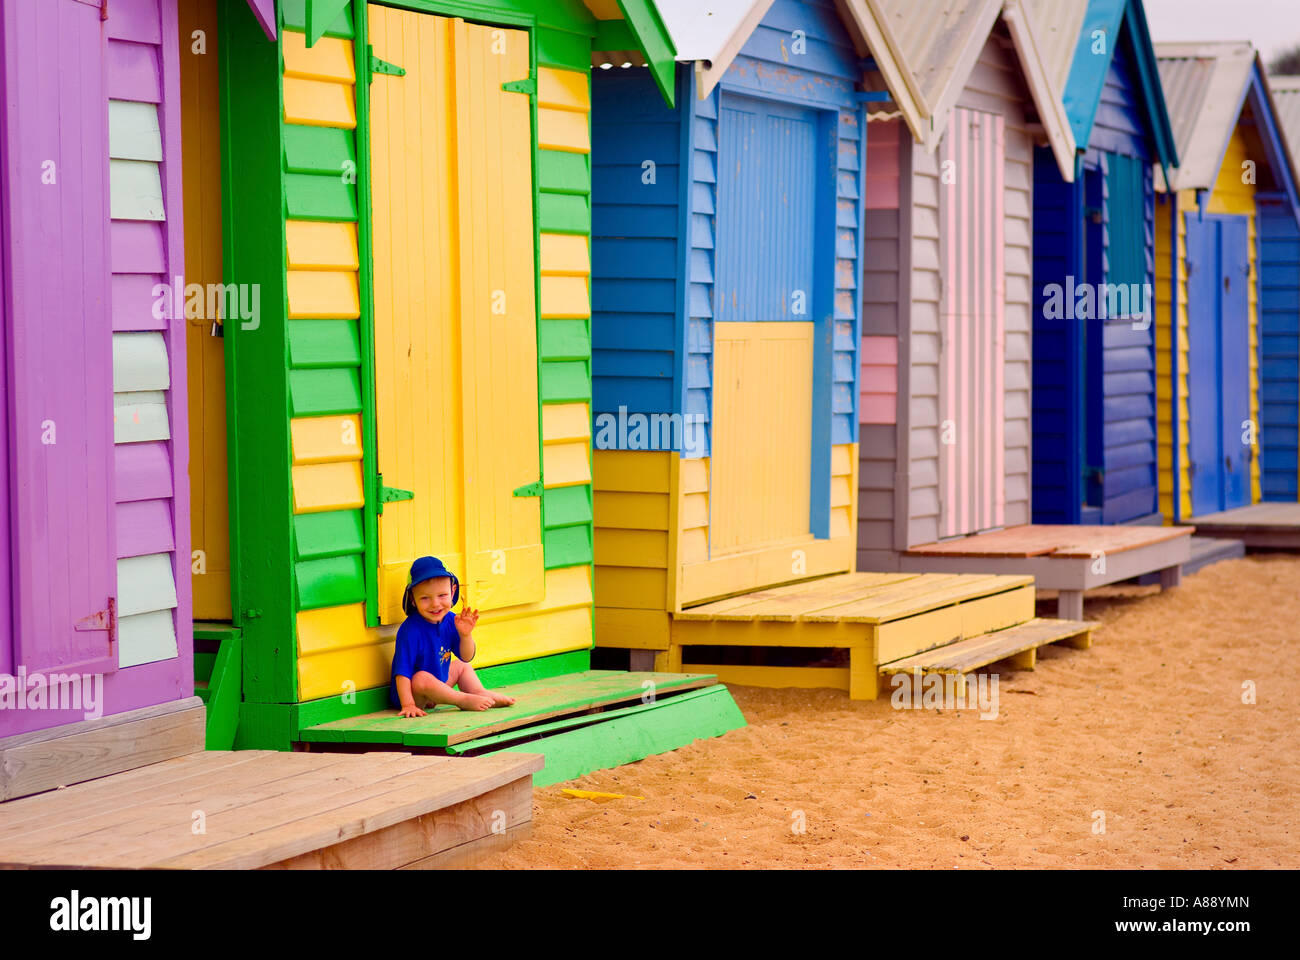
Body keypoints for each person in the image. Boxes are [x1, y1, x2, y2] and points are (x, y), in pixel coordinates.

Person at [389, 556, 517, 717]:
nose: (435, 604)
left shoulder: (451, 620)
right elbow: (402, 672)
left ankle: (480, 692)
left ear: (453, 591)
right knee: (421, 677)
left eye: (442, 595)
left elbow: (467, 656)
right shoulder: (410, 630)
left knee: (461, 667)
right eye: (425, 598)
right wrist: (408, 704)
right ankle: (462, 699)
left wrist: (465, 635)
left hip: (439, 686)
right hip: (414, 694)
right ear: (413, 600)